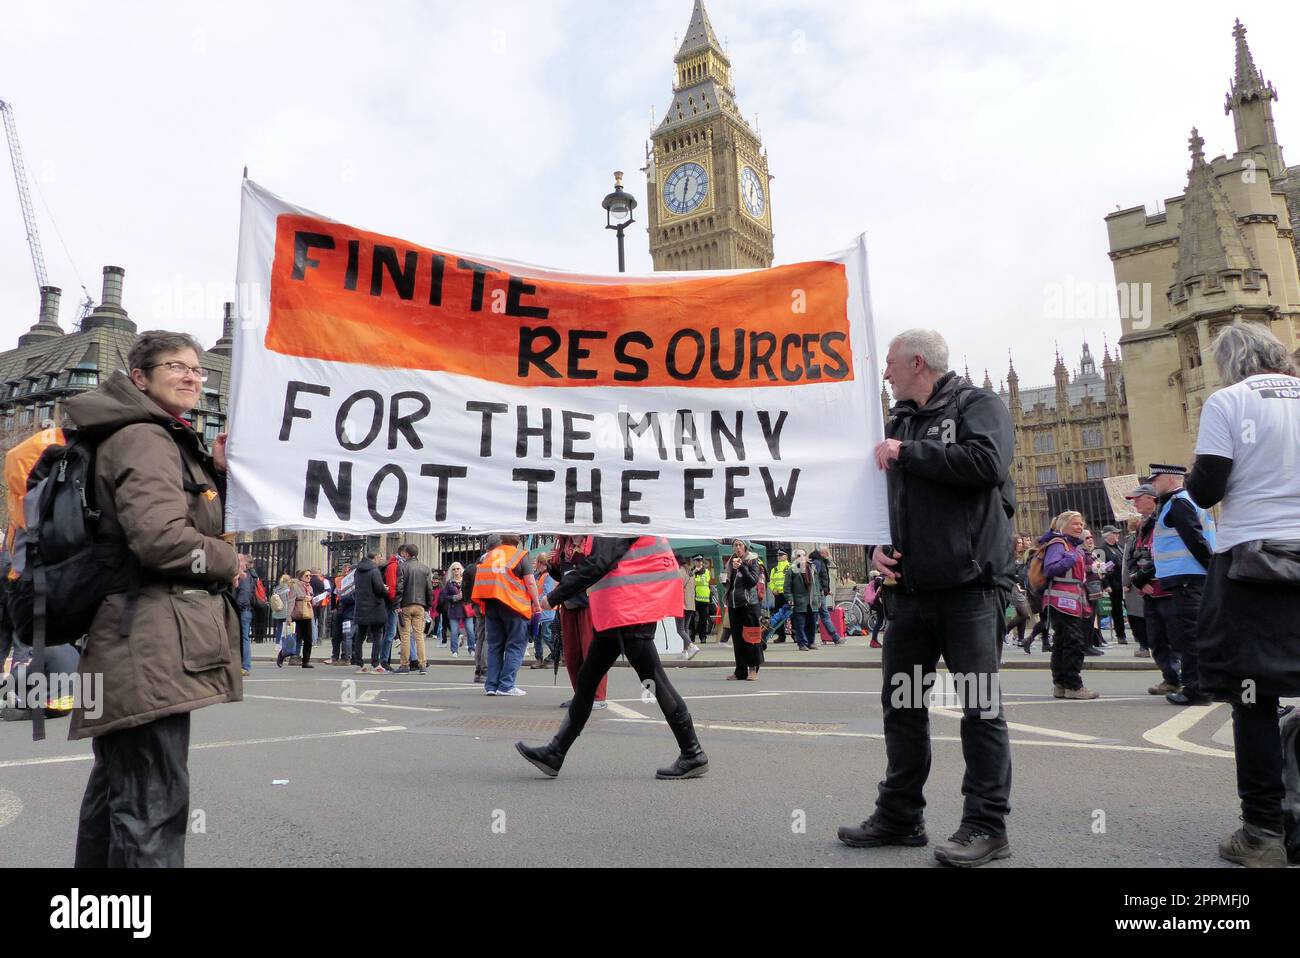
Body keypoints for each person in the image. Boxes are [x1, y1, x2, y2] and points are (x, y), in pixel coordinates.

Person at [839, 328, 1014, 868]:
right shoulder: (896, 422)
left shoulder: (978, 405)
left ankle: (986, 826)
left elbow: (987, 466)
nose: (885, 375)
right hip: (909, 592)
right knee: (903, 706)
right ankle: (900, 814)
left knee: (980, 710)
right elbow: (878, 496)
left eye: (891, 365)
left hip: (970, 590)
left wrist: (909, 452)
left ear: (918, 363)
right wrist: (874, 547)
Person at [69, 330, 241, 868]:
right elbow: (160, 540)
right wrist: (229, 561)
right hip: (145, 643)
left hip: (130, 639)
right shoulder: (145, 437)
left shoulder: (149, 435)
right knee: (153, 808)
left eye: (198, 369)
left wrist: (214, 472)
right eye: (176, 367)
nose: (193, 376)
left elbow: (167, 520)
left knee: (117, 799)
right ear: (139, 378)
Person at [1186, 322, 1300, 867]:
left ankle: (1263, 833)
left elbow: (1207, 487)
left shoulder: (1228, 401)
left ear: (1230, 363)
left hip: (1255, 565)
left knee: (1252, 696)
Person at [515, 536, 708, 780]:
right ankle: (555, 752)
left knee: (654, 679)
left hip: (631, 609)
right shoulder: (621, 520)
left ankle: (692, 752)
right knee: (587, 680)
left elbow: (598, 564)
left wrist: (553, 597)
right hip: (621, 611)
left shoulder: (616, 523)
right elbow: (598, 564)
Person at [1147, 462, 1216, 706]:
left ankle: (1195, 690)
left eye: (1156, 479)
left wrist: (1212, 568)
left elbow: (1195, 540)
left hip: (1188, 579)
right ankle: (1205, 685)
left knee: (1190, 637)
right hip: (1191, 579)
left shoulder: (1179, 504)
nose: (1152, 483)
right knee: (1196, 635)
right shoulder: (1184, 502)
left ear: (1171, 479)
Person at [1128, 484, 1183, 693]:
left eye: (1138, 498)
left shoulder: (1165, 521)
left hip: (1168, 590)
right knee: (1157, 640)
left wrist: (1144, 578)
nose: (1134, 503)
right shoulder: (1141, 527)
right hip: (1150, 593)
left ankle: (1185, 678)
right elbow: (1133, 557)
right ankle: (1170, 678)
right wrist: (1139, 580)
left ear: (1151, 499)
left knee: (1177, 638)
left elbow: (1165, 554)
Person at [1038, 513, 1100, 700]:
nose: (1080, 527)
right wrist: (1072, 557)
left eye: (1081, 524)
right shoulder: (1059, 544)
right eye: (1075, 524)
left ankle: (1061, 684)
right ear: (1063, 525)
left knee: (1062, 643)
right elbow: (1050, 569)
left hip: (1070, 601)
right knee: (1073, 642)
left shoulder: (1070, 545)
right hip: (1062, 602)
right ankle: (1073, 685)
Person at [473, 534, 541, 696]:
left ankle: (491, 686)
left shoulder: (489, 556)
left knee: (494, 646)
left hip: (491, 605)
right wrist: (537, 604)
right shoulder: (520, 555)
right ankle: (506, 685)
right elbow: (530, 582)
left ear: (501, 541)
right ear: (517, 543)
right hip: (514, 606)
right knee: (516, 645)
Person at [551, 536, 607, 710]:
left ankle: (597, 697)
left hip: (589, 601)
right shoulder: (562, 547)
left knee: (591, 651)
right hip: (569, 602)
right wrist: (552, 566)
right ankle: (580, 695)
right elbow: (562, 576)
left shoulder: (593, 543)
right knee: (572, 653)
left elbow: (597, 568)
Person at [724, 539, 763, 681]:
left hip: (749, 604)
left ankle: (753, 669)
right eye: (735, 545)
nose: (738, 547)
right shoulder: (730, 561)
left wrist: (741, 567)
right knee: (738, 639)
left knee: (751, 638)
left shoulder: (752, 560)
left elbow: (752, 581)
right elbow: (729, 583)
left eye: (740, 545)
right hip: (734, 604)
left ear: (745, 547)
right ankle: (740, 671)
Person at [1119, 505, 1152, 659]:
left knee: (1138, 616)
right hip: (1142, 580)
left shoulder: (1131, 539)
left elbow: (1127, 564)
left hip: (1135, 582)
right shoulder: (1140, 537)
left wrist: (1125, 582)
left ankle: (1144, 646)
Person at [394, 543, 433, 675]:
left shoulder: (402, 567)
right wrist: (428, 605)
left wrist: (397, 605)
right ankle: (422, 664)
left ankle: (405, 665)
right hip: (420, 605)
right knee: (419, 636)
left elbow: (399, 588)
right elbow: (429, 589)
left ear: (407, 553)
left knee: (405, 636)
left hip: (405, 605)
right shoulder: (425, 568)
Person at [352, 552, 389, 672]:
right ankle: (375, 663)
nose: (381, 559)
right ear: (374, 558)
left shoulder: (358, 571)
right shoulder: (374, 570)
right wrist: (385, 590)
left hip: (361, 606)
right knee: (377, 635)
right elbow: (378, 589)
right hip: (375, 606)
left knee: (360, 635)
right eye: (379, 557)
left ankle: (359, 663)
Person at [1098, 525, 1128, 646]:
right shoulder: (1101, 550)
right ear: (1108, 535)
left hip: (1125, 583)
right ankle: (1121, 635)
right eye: (1115, 533)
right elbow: (1100, 569)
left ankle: (1137, 633)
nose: (1117, 535)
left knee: (1131, 608)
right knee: (1117, 610)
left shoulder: (1120, 547)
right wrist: (1105, 584)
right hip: (1113, 584)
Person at [808, 547, 845, 645]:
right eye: (826, 553)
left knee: (818, 616)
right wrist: (822, 590)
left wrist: (826, 590)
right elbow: (816, 579)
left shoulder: (818, 562)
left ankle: (810, 640)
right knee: (823, 616)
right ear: (821, 553)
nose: (828, 554)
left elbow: (821, 578)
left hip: (819, 592)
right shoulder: (818, 562)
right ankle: (835, 638)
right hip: (818, 593)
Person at [530, 555, 558, 669]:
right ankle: (539, 658)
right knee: (537, 636)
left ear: (541, 563)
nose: (535, 564)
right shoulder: (538, 575)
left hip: (547, 611)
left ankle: (555, 656)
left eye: (537, 562)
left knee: (546, 635)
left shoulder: (549, 576)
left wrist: (537, 600)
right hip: (538, 611)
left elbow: (547, 592)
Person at [441, 563, 474, 658]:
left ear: (461, 570)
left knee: (470, 630)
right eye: (454, 569)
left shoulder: (466, 581)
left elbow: (472, 592)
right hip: (454, 609)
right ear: (451, 571)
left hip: (466, 608)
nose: (456, 571)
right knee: (454, 631)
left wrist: (465, 596)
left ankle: (471, 649)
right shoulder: (449, 583)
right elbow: (445, 596)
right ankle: (454, 650)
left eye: (457, 569)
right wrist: (455, 597)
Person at [1004, 536, 1032, 649]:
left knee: (1022, 615)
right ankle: (1003, 631)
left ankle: (1020, 639)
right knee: (1024, 614)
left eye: (1021, 542)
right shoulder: (1009, 557)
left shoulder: (1022, 556)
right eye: (1018, 543)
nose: (1021, 544)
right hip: (1014, 588)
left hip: (1022, 588)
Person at [287, 570, 316, 668]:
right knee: (296, 638)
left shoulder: (310, 587)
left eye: (310, 575)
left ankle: (306, 661)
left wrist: (312, 600)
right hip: (297, 614)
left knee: (308, 639)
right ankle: (293, 657)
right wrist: (289, 616)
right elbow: (291, 602)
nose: (309, 577)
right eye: (306, 575)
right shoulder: (295, 586)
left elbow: (313, 602)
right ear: (301, 576)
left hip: (307, 615)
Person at [675, 554, 701, 661]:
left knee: (680, 630)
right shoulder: (691, 573)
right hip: (691, 605)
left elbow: (676, 588)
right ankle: (685, 652)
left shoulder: (678, 572)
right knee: (685, 628)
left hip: (681, 604)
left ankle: (692, 646)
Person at [234, 554, 254, 676]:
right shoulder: (242, 576)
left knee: (244, 638)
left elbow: (244, 596)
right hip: (243, 610)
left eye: (239, 560)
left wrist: (236, 608)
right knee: (241, 638)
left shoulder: (245, 577)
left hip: (242, 610)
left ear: (244, 564)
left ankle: (245, 666)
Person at [272, 574, 296, 667]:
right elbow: (289, 601)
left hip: (278, 611)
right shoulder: (288, 590)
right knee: (286, 630)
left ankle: (277, 643)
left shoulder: (277, 588)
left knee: (278, 628)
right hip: (285, 611)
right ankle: (283, 644)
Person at [767, 548, 791, 642]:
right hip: (778, 595)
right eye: (778, 555)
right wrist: (773, 589)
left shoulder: (790, 567)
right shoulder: (774, 569)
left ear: (786, 556)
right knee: (778, 615)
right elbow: (771, 581)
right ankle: (781, 636)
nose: (779, 557)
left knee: (792, 615)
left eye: (781, 555)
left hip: (788, 595)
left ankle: (795, 635)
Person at [690, 555, 712, 645]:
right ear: (694, 562)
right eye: (697, 561)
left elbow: (707, 582)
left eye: (700, 561)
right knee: (691, 619)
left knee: (703, 620)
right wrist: (694, 572)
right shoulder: (692, 572)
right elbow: (688, 580)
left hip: (704, 599)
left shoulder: (707, 571)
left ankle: (703, 637)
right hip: (693, 598)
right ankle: (692, 637)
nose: (699, 562)